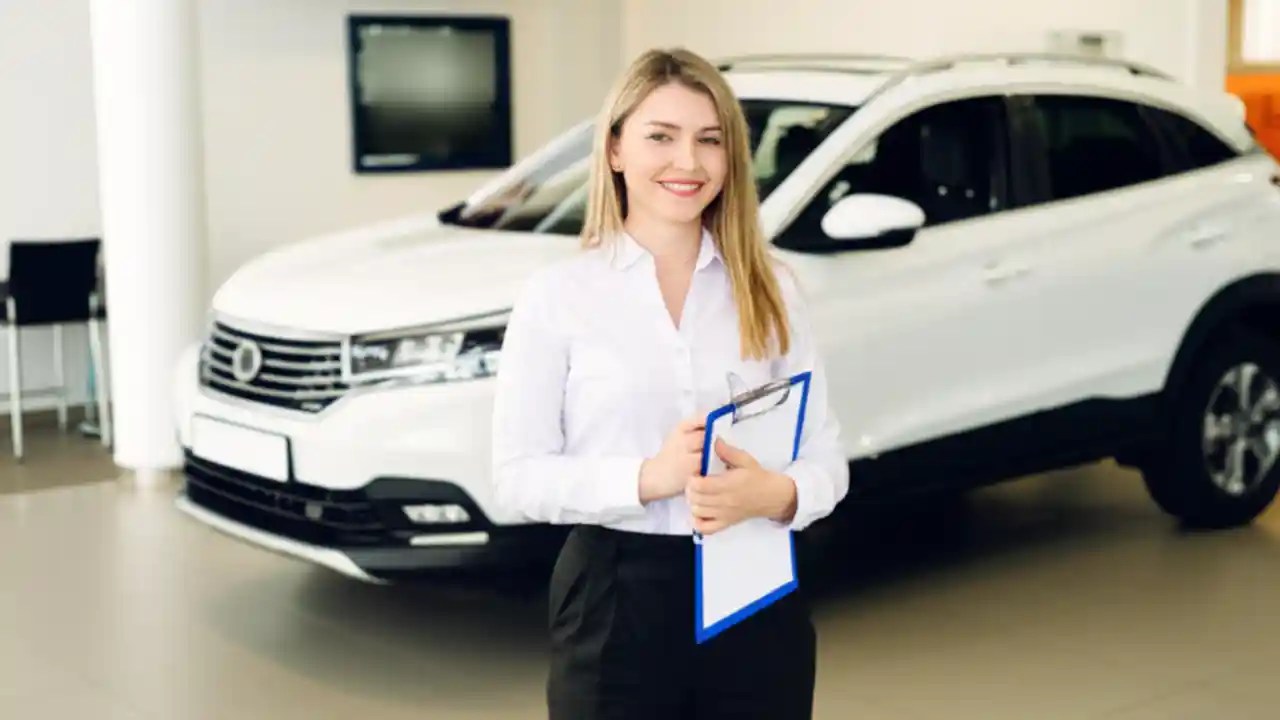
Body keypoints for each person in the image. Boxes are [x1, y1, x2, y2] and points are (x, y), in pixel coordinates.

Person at [491, 47, 849, 720]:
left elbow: (826, 455)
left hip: (756, 588)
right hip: (616, 597)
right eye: (662, 136)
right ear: (617, 149)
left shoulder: (771, 290)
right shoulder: (558, 297)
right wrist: (646, 478)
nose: (688, 162)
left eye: (709, 141)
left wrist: (780, 492)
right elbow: (517, 476)